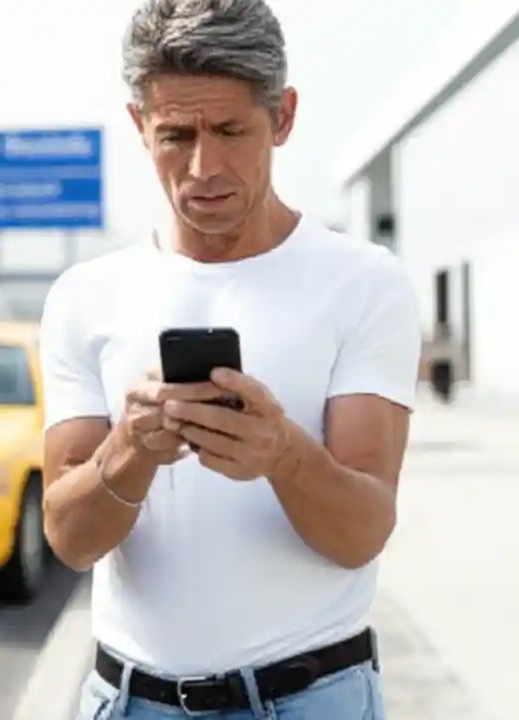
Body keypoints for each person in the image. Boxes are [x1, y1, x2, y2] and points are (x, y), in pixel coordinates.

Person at [38, 1, 422, 718]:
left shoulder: (364, 283)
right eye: (175, 135)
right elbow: (69, 540)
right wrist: (130, 450)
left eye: (230, 131)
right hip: (131, 702)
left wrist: (283, 454)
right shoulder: (85, 296)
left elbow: (363, 533)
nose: (203, 168)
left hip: (311, 701)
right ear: (139, 126)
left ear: (283, 117)